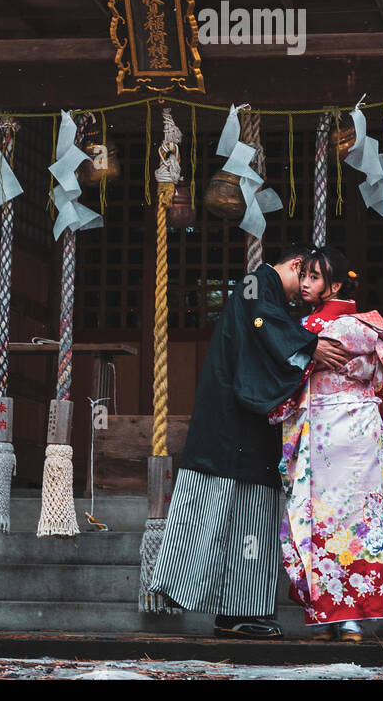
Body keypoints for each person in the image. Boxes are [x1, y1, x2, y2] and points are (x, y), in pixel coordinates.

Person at [148, 245, 351, 638]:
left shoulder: (269, 296)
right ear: (296, 265)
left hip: (254, 421)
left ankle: (240, 611)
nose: (301, 291)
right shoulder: (256, 285)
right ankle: (185, 586)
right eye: (303, 279)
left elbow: (271, 327)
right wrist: (308, 345)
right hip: (228, 419)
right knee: (211, 498)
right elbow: (263, 321)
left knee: (253, 514)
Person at [269, 245, 383, 640]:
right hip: (361, 430)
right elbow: (381, 386)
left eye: (314, 278)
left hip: (323, 431)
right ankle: (349, 619)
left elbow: (287, 382)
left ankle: (331, 617)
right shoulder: (371, 328)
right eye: (306, 275)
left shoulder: (308, 331)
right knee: (360, 522)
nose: (305, 284)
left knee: (321, 521)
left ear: (332, 286)